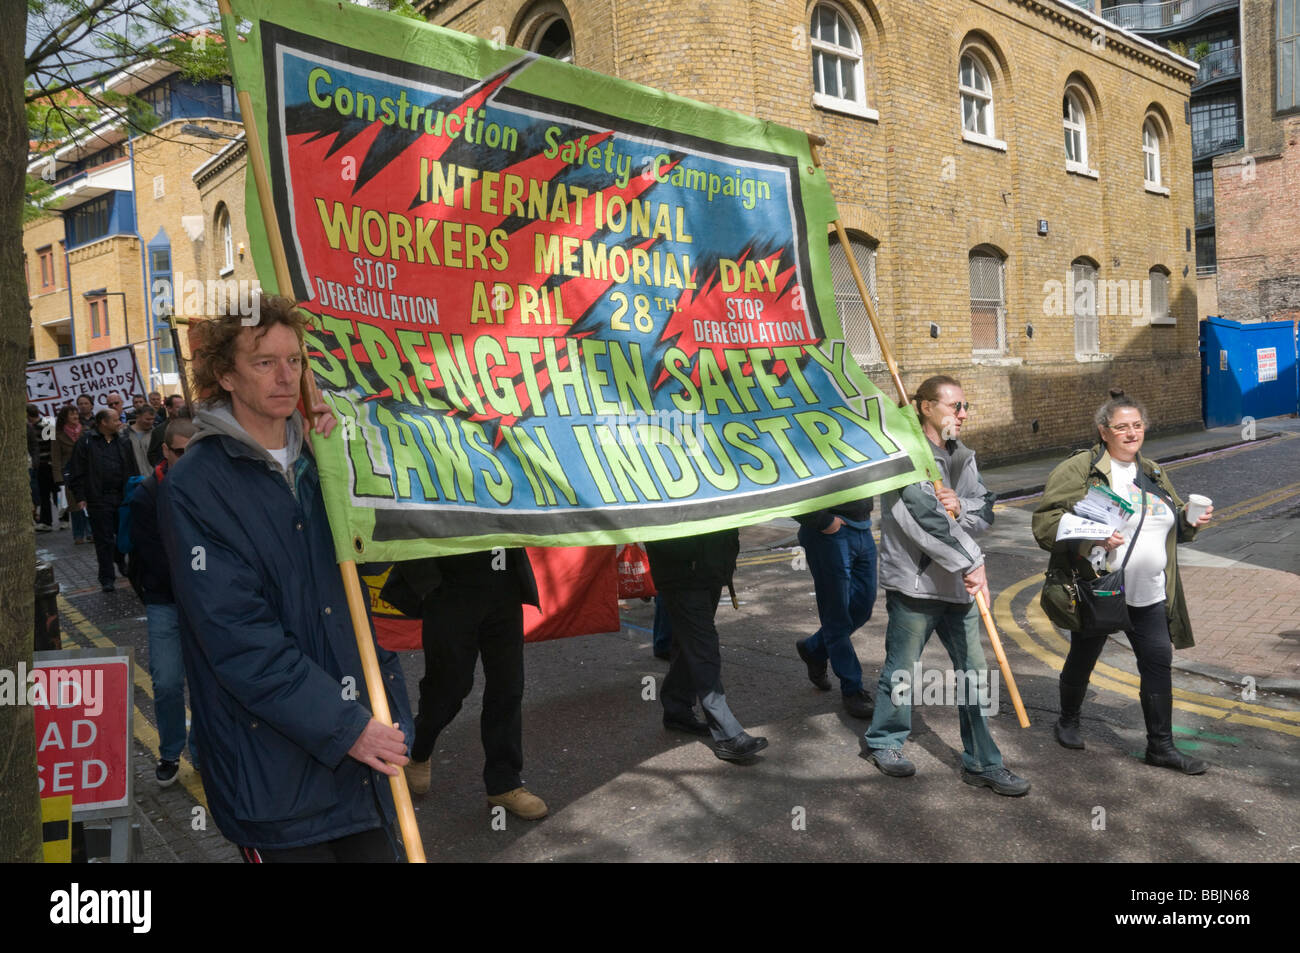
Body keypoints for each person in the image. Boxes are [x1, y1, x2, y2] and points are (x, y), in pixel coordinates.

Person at [159, 295, 414, 861]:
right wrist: (346, 727)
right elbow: (237, 639)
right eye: (264, 362)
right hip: (274, 768)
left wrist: (348, 462)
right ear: (225, 374)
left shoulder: (321, 459)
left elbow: (375, 565)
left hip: (360, 749)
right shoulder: (196, 485)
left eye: (295, 361)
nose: (285, 377)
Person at [862, 375, 1029, 796]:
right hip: (916, 586)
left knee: (975, 673)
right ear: (925, 407)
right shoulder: (905, 454)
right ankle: (884, 741)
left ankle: (983, 762)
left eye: (965, 406)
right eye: (955, 406)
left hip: (958, 588)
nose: (963, 414)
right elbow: (920, 519)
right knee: (902, 668)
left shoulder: (961, 455)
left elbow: (984, 507)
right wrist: (971, 560)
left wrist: (960, 504)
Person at [1032, 390, 1213, 775]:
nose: (1131, 433)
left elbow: (1172, 527)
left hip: (1150, 593)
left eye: (1137, 425)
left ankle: (1160, 747)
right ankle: (1068, 719)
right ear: (1103, 431)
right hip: (1104, 588)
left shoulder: (1152, 471)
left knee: (1158, 663)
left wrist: (1190, 522)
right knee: (1084, 656)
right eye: (1121, 427)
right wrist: (1090, 539)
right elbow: (1046, 525)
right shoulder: (1082, 469)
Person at [383, 549, 548, 820]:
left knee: (508, 686)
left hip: (503, 581)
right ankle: (419, 749)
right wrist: (429, 583)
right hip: (449, 585)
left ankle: (504, 784)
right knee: (449, 687)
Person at [645, 529, 768, 763]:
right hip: (682, 572)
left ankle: (677, 709)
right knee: (704, 649)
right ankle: (727, 734)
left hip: (708, 567)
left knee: (689, 643)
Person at [129, 417, 199, 786]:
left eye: (195, 451)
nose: (188, 459)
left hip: (205, 601)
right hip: (166, 602)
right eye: (181, 452)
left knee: (209, 679)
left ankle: (204, 752)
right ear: (165, 452)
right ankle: (171, 751)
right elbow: (156, 559)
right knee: (169, 680)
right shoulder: (146, 496)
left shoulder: (209, 485)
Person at [792, 493, 877, 719]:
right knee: (836, 615)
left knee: (863, 607)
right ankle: (852, 688)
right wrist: (822, 521)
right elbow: (786, 485)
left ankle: (814, 648)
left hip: (861, 525)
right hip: (828, 532)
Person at [67, 409, 138, 591]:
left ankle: (121, 562)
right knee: (103, 539)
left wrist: (135, 490)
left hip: (122, 496)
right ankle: (107, 577)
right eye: (115, 420)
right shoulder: (86, 442)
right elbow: (76, 471)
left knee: (122, 534)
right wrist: (80, 497)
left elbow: (132, 468)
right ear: (103, 423)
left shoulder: (123, 441)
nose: (119, 422)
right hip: (99, 498)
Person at [52, 405, 90, 542]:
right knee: (75, 506)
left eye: (76, 414)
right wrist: (58, 479)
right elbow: (55, 458)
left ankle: (91, 532)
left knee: (89, 502)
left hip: (86, 471)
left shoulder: (85, 431)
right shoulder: (57, 435)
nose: (75, 417)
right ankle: (78, 535)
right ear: (65, 418)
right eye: (71, 415)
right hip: (68, 474)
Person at [27, 405, 57, 532]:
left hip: (46, 464)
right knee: (50, 493)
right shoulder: (46, 422)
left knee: (49, 493)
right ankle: (52, 519)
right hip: (45, 464)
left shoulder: (42, 424)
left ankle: (48, 521)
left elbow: (52, 444)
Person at [126, 405, 156, 472]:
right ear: (138, 416)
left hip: (153, 477)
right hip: (132, 478)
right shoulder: (124, 433)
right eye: (147, 419)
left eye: (153, 419)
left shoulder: (156, 434)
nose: (151, 422)